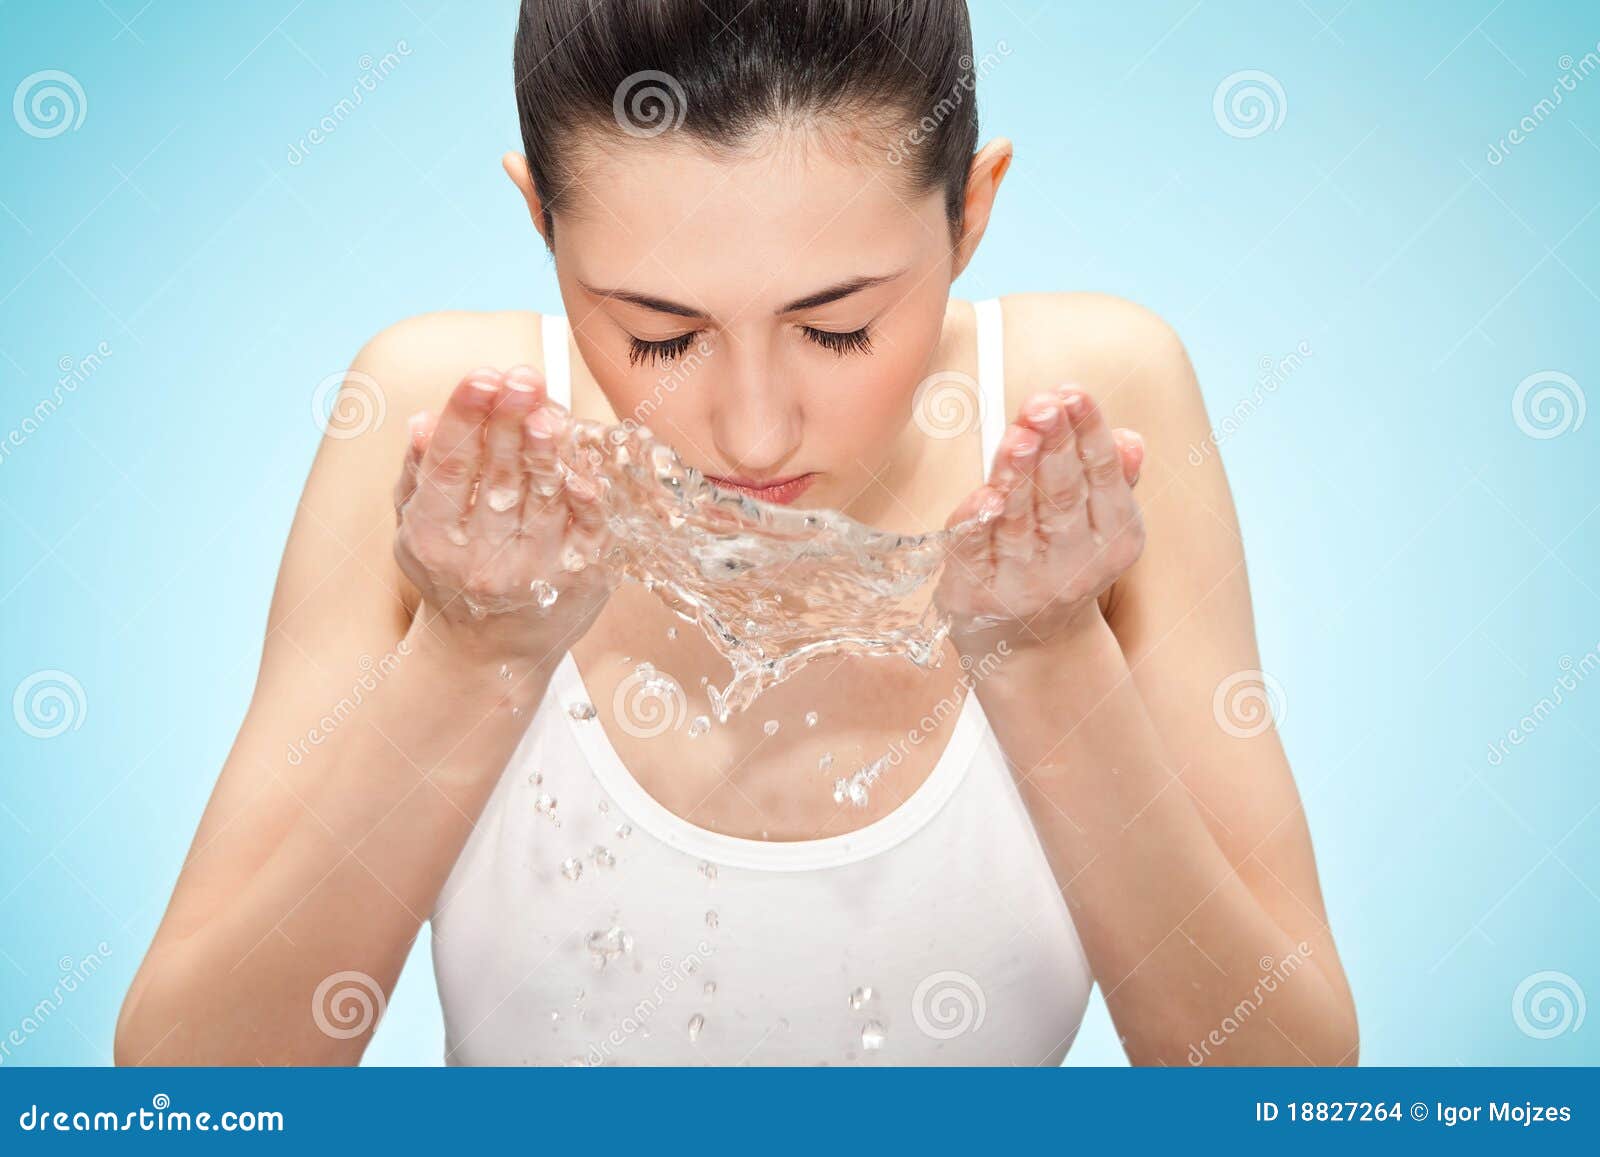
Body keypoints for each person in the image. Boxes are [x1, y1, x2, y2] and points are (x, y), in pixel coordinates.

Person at [116, 0, 1357, 1066]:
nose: (754, 434)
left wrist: (1044, 655)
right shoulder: (448, 432)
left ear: (970, 213)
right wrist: (472, 651)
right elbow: (183, 1087)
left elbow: (1280, 1084)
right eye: (658, 335)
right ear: (541, 219)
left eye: (838, 329)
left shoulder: (1082, 408)